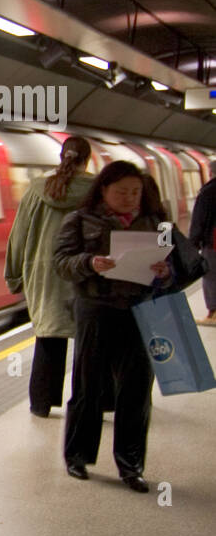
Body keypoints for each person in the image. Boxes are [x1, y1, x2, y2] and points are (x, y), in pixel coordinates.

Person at [53, 161, 201, 491]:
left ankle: (131, 465)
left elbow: (180, 266)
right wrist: (90, 263)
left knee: (136, 390)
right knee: (88, 386)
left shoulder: (157, 223)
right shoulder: (78, 221)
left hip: (141, 310)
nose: (129, 198)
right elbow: (61, 263)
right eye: (121, 191)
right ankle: (78, 457)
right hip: (96, 309)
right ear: (103, 190)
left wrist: (165, 273)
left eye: (135, 192)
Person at [4, 136, 94, 416]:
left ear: (62, 156)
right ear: (87, 160)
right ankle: (89, 402)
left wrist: (14, 275)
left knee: (49, 336)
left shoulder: (36, 190)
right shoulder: (97, 190)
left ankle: (42, 403)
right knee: (88, 341)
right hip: (86, 271)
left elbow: (18, 235)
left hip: (44, 273)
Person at [188, 171, 216, 326]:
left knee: (211, 276)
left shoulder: (208, 191)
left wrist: (193, 242)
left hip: (213, 243)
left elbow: (199, 218)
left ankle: (214, 312)